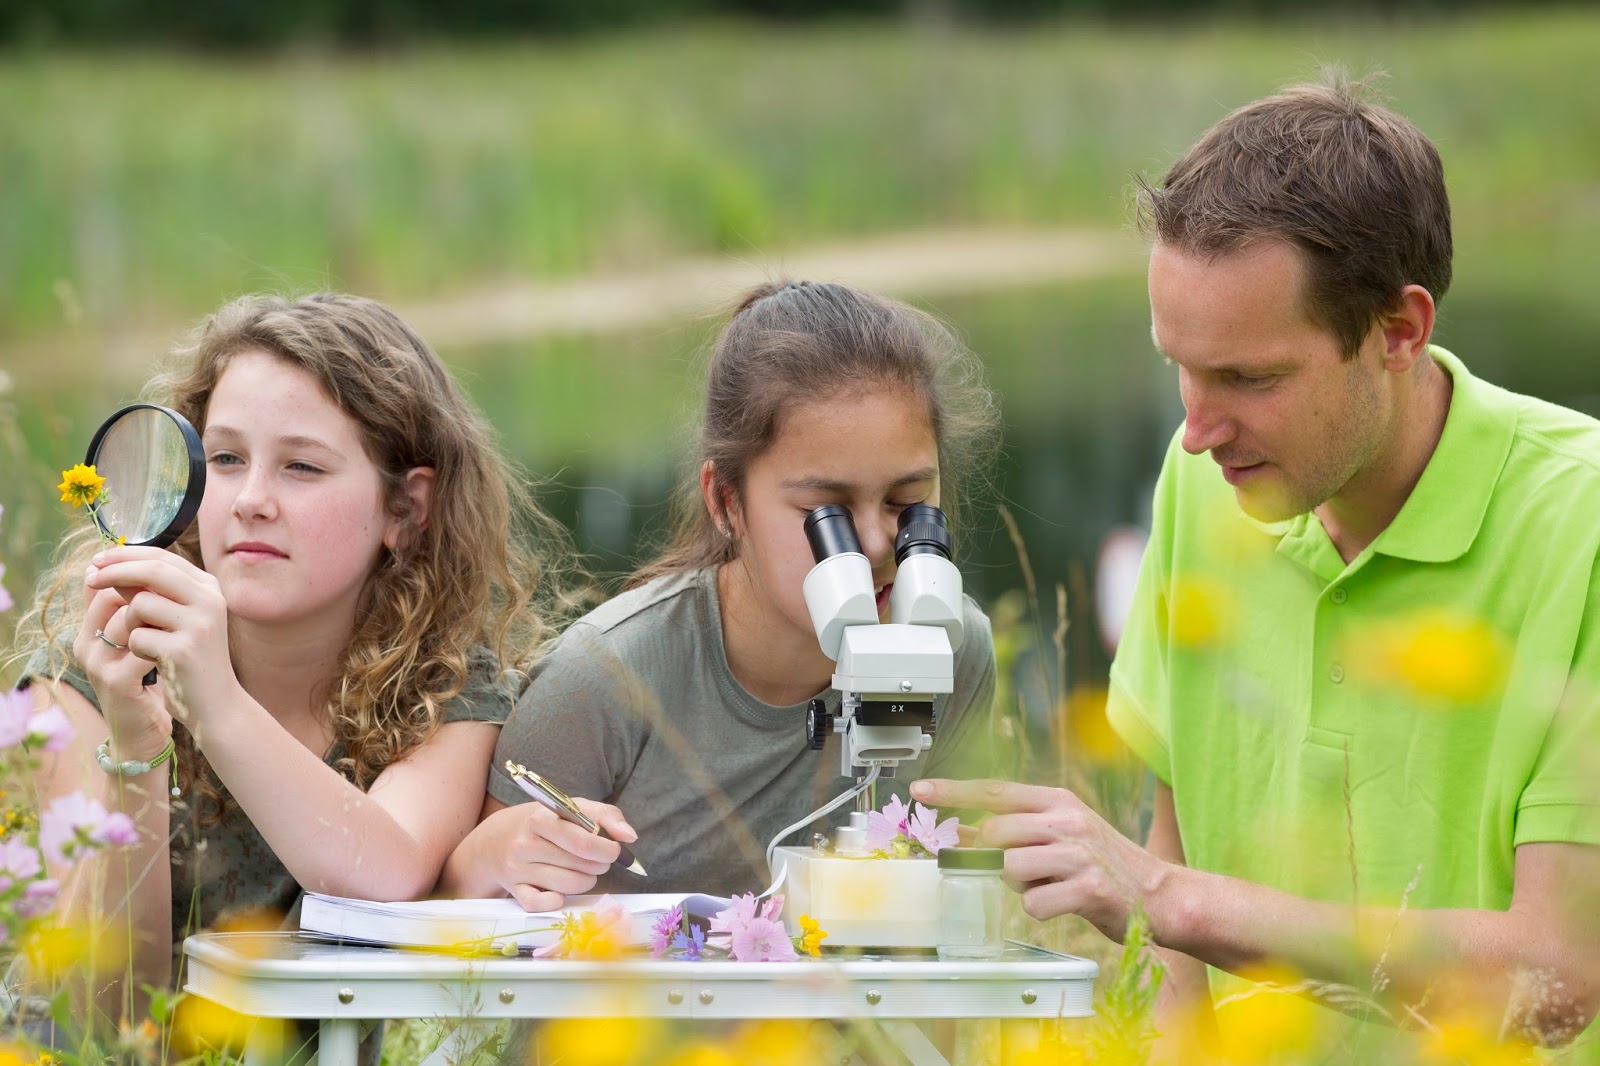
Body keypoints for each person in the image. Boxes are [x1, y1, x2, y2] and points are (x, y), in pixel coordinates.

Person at [913, 76, 1600, 1047]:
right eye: (1179, 368)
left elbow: (1558, 977)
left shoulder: (1581, 524)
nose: (1198, 430)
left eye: (1249, 377)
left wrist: (1171, 897)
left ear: (1399, 332)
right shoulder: (1203, 482)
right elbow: (1174, 918)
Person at [10, 293, 565, 1032]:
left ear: (406, 510)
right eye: (225, 459)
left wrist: (216, 705)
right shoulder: (93, 667)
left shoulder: (444, 684)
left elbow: (387, 875)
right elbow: (99, 1018)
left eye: (301, 466)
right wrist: (135, 746)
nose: (251, 500)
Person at [440, 279, 1003, 906]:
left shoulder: (956, 652)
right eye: (827, 513)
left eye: (907, 502)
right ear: (725, 501)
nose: (875, 544)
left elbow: (954, 905)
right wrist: (487, 861)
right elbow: (455, 912)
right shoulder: (604, 678)